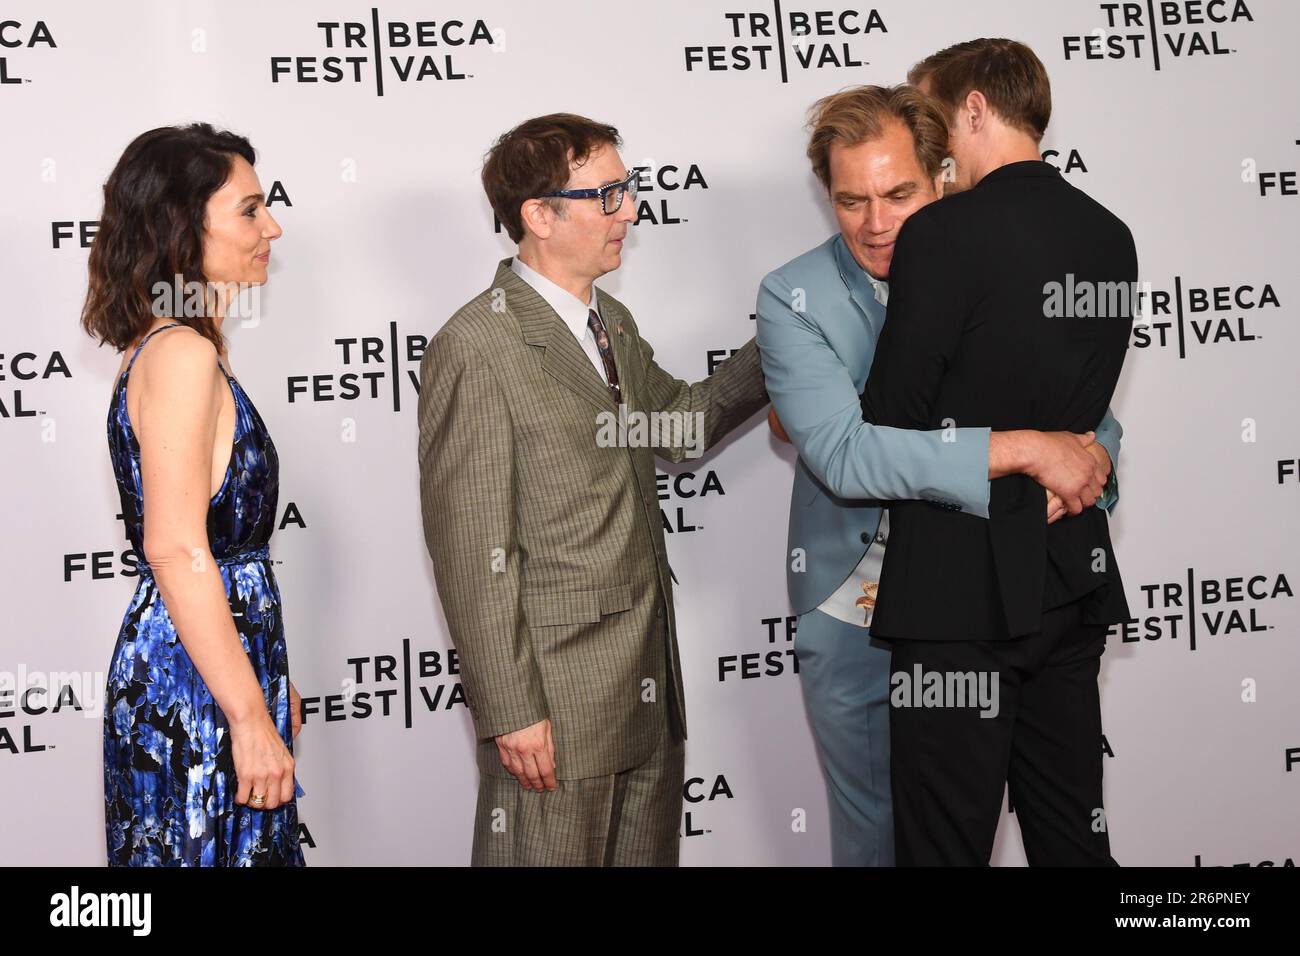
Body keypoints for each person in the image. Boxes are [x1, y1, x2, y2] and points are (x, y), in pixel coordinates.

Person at [756, 85, 1120, 866]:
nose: (877, 223)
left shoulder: (999, 249)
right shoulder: (795, 297)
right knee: (883, 840)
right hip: (857, 600)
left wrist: (1094, 457)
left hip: (1001, 592)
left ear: (946, 175)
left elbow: (1079, 403)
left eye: (900, 194)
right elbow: (852, 455)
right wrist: (1025, 448)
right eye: (851, 201)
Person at [417, 113, 768, 866]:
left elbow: (683, 426)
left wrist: (789, 337)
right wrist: (511, 712)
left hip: (646, 690)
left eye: (626, 189)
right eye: (605, 195)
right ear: (539, 216)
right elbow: (471, 548)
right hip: (553, 709)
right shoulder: (476, 346)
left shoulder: (611, 320)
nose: (630, 210)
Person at [860, 39, 1136, 865]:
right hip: (1065, 573)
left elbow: (891, 421)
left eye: (933, 118)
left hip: (956, 594)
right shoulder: (1110, 236)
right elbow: (1085, 421)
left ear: (974, 109)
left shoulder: (943, 234)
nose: (929, 143)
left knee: (944, 849)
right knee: (1071, 838)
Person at [83, 124, 304, 866]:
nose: (271, 226)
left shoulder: (174, 344)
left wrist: (266, 683)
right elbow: (177, 548)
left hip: (209, 667)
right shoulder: (182, 353)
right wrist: (246, 714)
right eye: (248, 210)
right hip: (191, 689)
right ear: (183, 225)